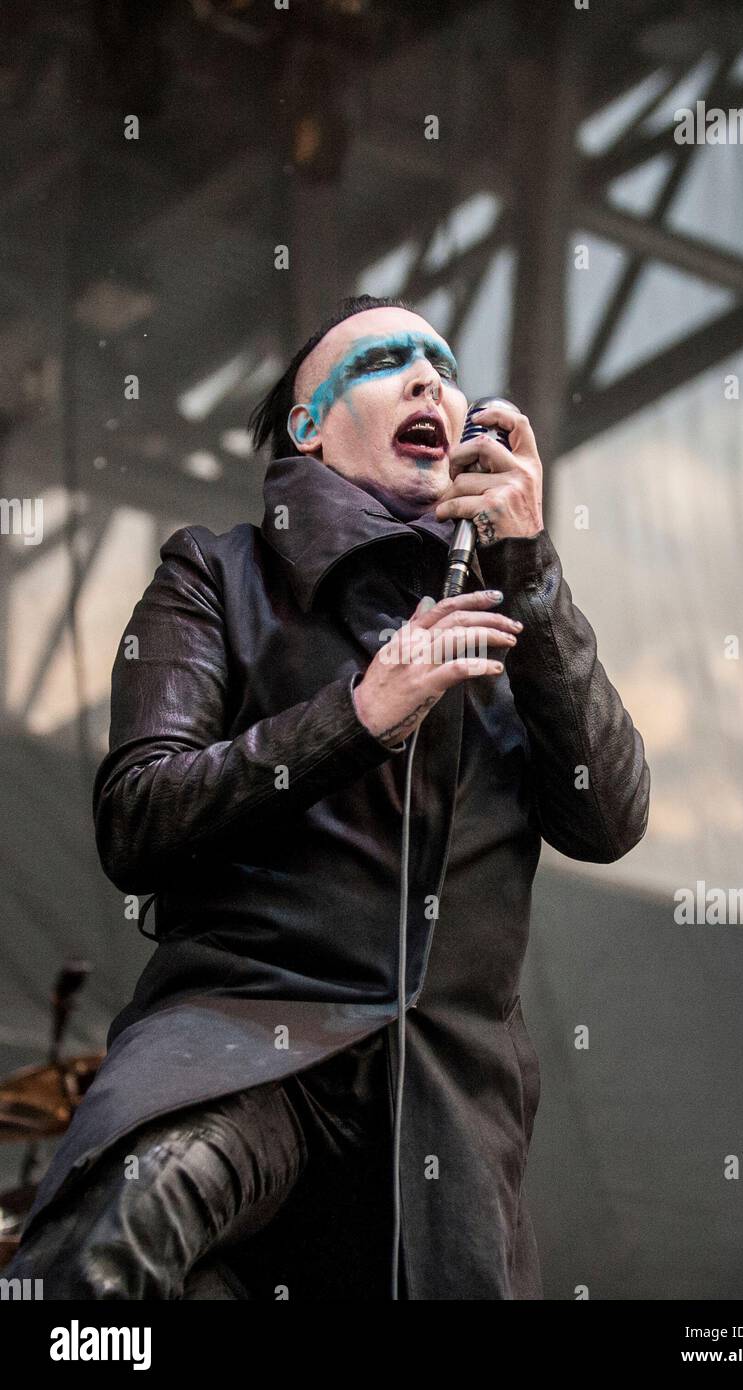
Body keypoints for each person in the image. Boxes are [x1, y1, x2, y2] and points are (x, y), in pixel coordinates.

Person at [8, 293, 650, 1300]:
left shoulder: (513, 618)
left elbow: (607, 817)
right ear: (305, 427)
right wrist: (353, 717)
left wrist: (529, 568)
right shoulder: (216, 574)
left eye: (441, 363)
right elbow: (138, 813)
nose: (429, 377)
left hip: (443, 1099)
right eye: (386, 361)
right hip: (244, 1044)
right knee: (110, 1241)